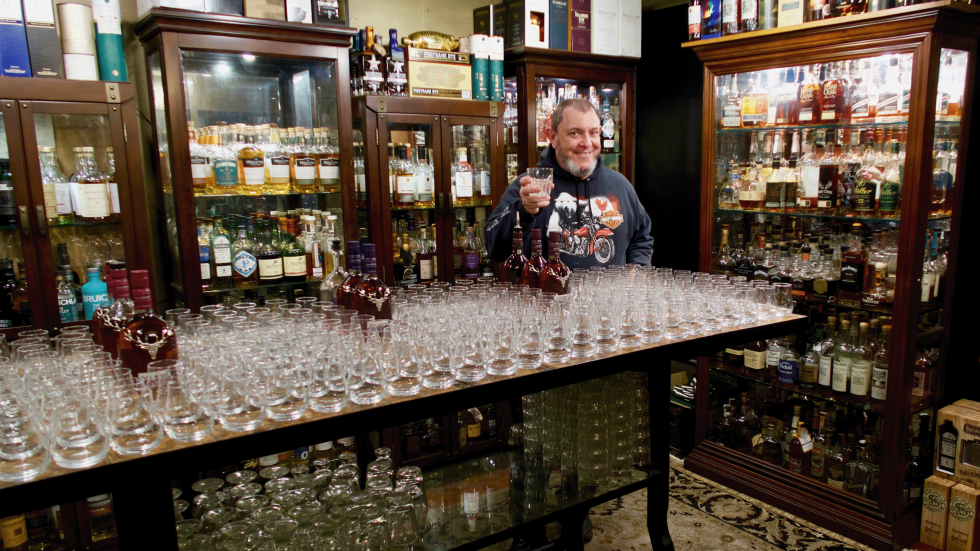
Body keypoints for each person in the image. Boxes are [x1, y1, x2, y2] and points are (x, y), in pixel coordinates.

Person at [485, 97, 653, 267]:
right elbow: (496, 250)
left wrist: (636, 269)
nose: (587, 143)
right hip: (548, 293)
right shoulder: (532, 186)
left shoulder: (620, 185)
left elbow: (642, 238)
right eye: (575, 133)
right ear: (553, 137)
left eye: (593, 132)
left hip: (610, 293)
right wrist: (523, 209)